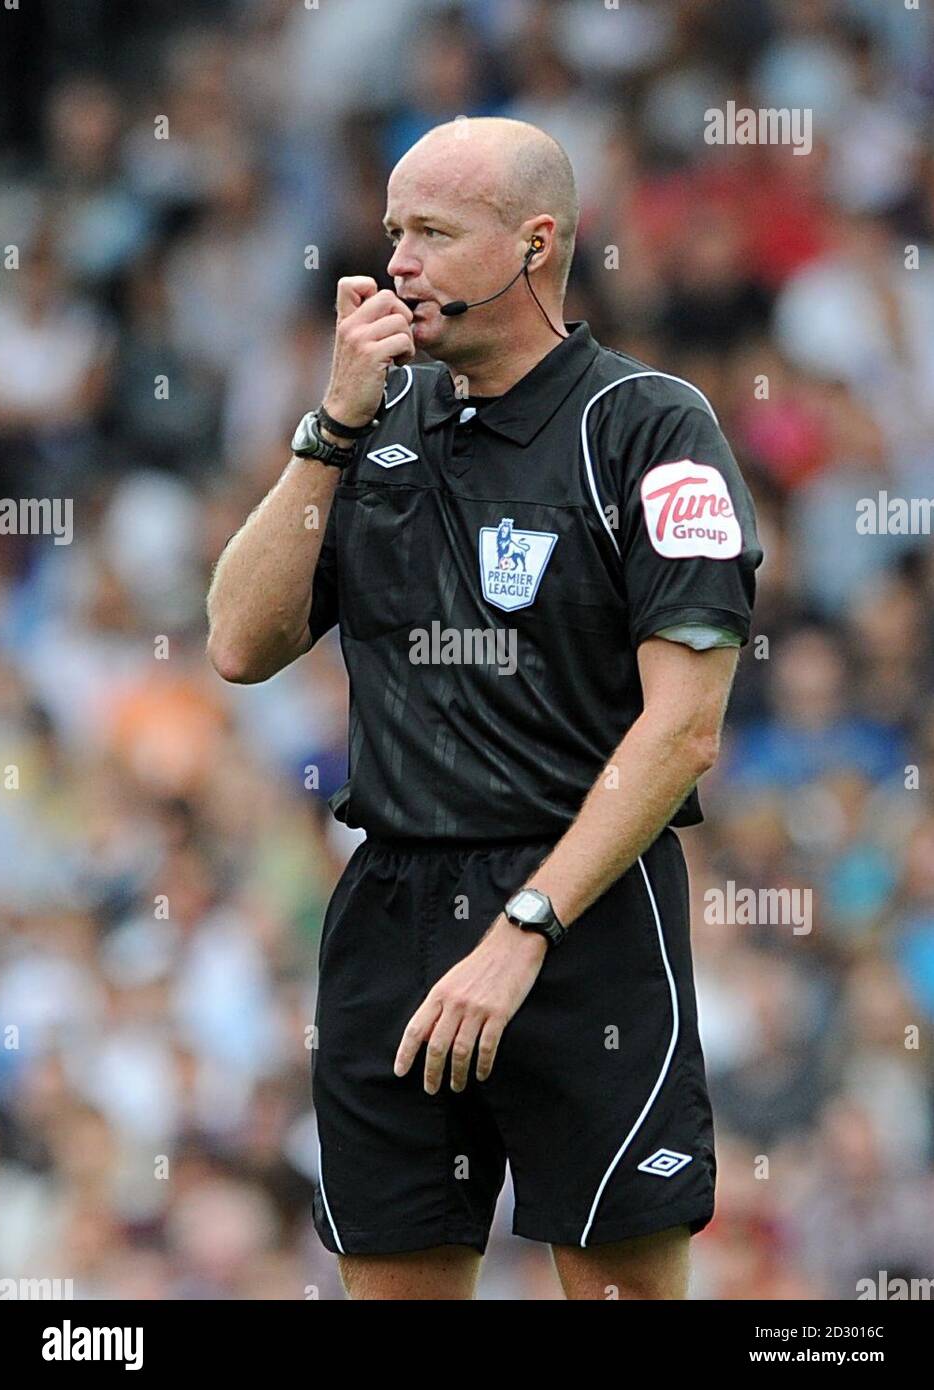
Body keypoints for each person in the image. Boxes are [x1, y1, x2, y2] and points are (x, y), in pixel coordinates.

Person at [206, 117, 763, 1300]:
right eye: (393, 228)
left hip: (587, 920)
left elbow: (685, 726)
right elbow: (238, 642)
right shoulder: (375, 428)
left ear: (535, 245)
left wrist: (525, 929)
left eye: (434, 233)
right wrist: (331, 428)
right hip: (391, 909)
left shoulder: (652, 427)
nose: (396, 260)